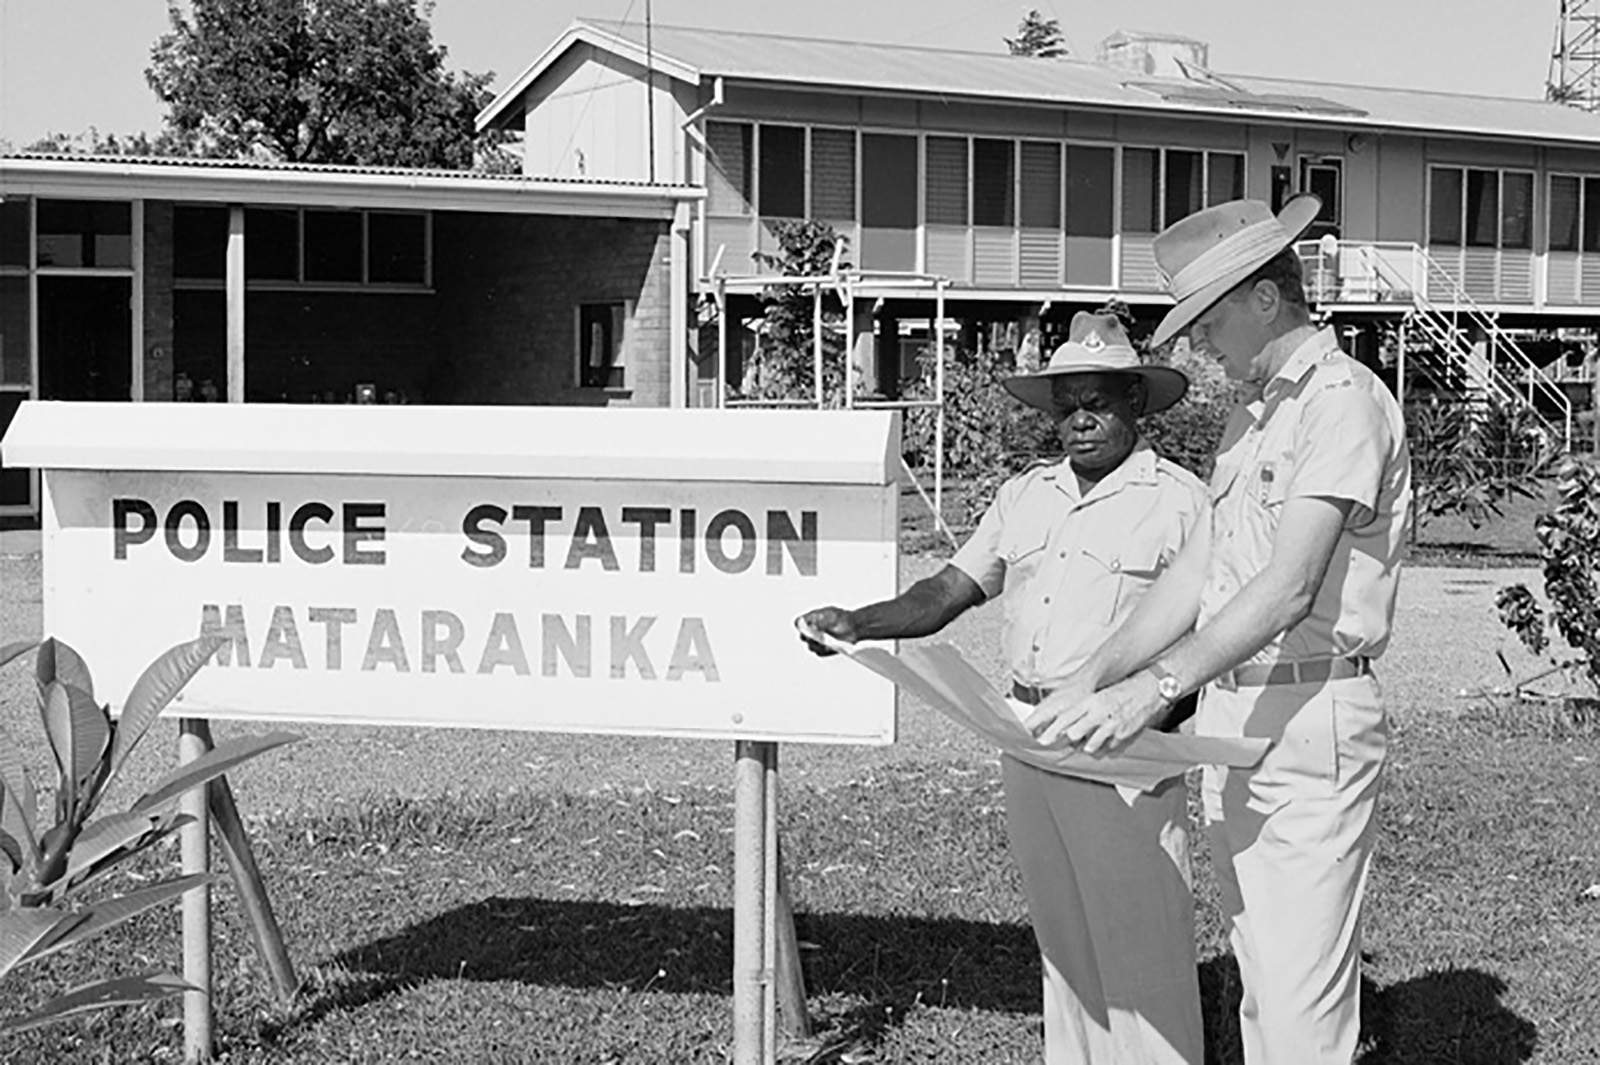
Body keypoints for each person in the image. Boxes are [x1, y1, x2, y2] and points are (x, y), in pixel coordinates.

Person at [1026, 195, 1412, 1064]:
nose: (1199, 345)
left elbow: (1287, 588)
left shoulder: (1341, 404)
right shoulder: (1255, 415)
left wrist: (1156, 688)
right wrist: (1091, 676)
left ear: (1265, 299)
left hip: (1309, 721)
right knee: (1263, 989)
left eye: (1207, 320)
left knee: (1302, 1009)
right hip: (1238, 725)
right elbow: (1194, 576)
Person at [799, 311, 1209, 1065]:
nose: (1080, 420)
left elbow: (1207, 633)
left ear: (1136, 403)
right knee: (1065, 936)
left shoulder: (1184, 502)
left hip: (1123, 741)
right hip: (1025, 733)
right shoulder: (1027, 494)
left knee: (1141, 939)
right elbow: (949, 589)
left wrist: (1155, 705)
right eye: (1066, 406)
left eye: (1099, 402)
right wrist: (858, 621)